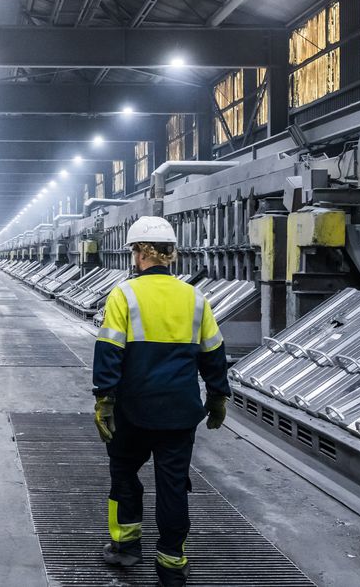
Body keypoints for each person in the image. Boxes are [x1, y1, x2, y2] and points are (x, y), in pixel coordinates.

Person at [91, 216, 230, 587]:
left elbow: (108, 351)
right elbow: (214, 353)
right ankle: (171, 562)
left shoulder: (124, 295)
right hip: (180, 411)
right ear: (171, 255)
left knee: (124, 475)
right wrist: (218, 395)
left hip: (133, 409)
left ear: (139, 254)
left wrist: (104, 398)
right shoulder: (195, 297)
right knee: (172, 485)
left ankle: (125, 546)